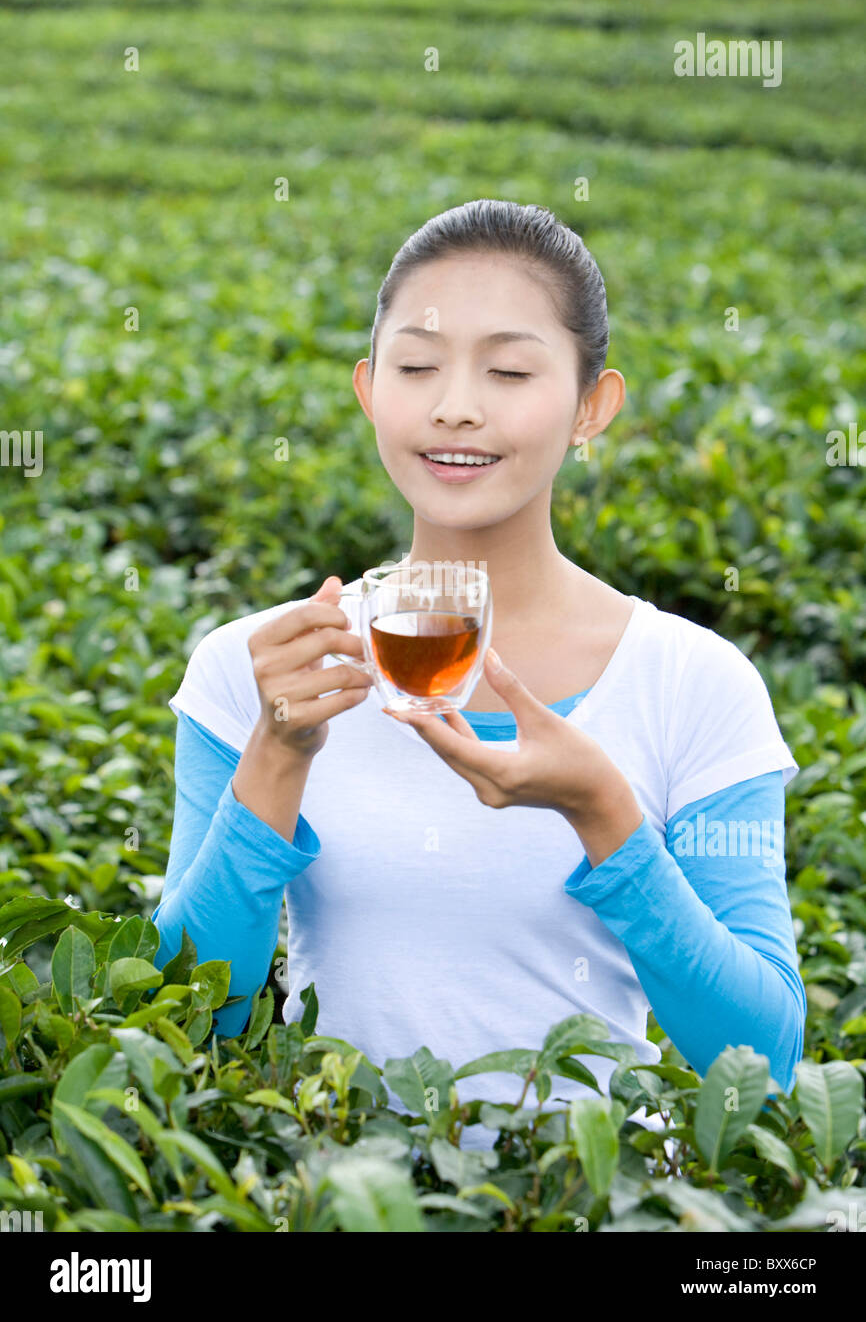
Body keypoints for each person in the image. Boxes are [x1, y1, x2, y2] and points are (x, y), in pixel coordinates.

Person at [154, 199, 805, 1153]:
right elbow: (185, 1022)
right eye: (417, 367)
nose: (456, 403)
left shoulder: (693, 683)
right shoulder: (255, 668)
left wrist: (605, 816)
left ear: (593, 406)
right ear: (370, 391)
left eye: (508, 370)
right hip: (337, 1196)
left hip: (586, 1202)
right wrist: (278, 752)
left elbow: (761, 1062)